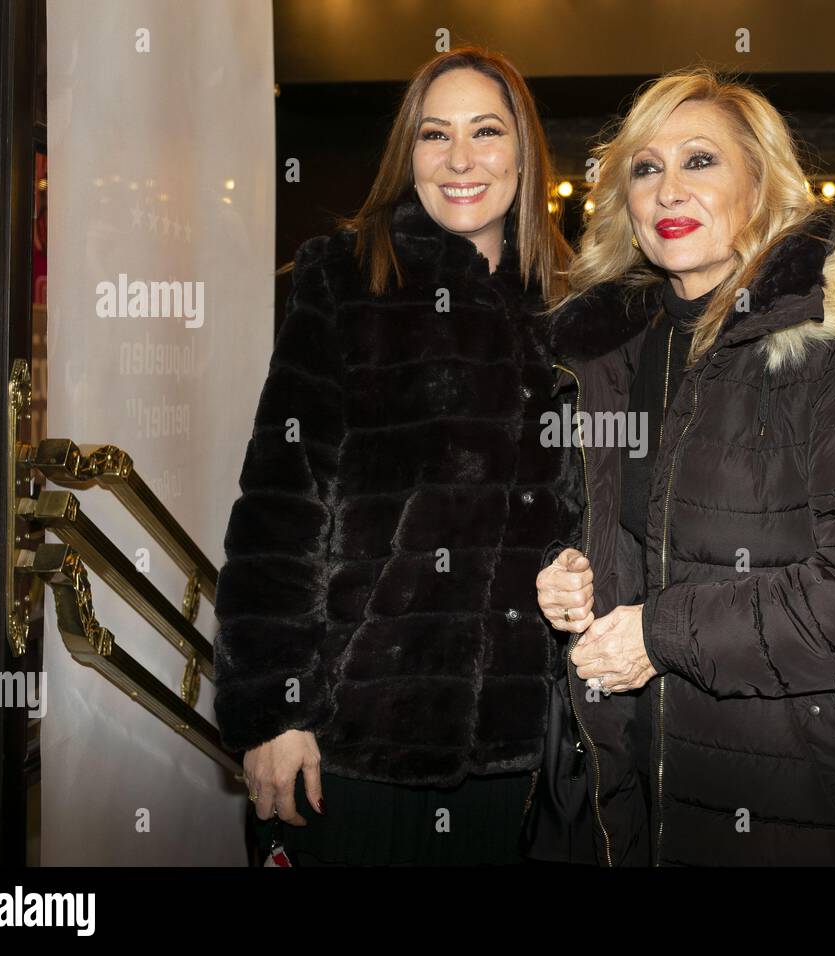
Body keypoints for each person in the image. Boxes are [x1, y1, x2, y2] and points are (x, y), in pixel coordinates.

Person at [532, 66, 835, 865]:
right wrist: (575, 575)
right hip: (647, 801)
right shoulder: (618, 353)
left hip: (814, 815)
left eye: (700, 161)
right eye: (646, 169)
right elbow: (643, 541)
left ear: (761, 185)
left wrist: (660, 636)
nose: (667, 191)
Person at [213, 46, 578, 865]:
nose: (459, 159)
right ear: (405, 154)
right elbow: (277, 511)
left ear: (524, 150)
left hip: (517, 751)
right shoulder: (346, 281)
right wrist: (274, 709)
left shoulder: (574, 309)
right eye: (432, 135)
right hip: (349, 740)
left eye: (485, 132)